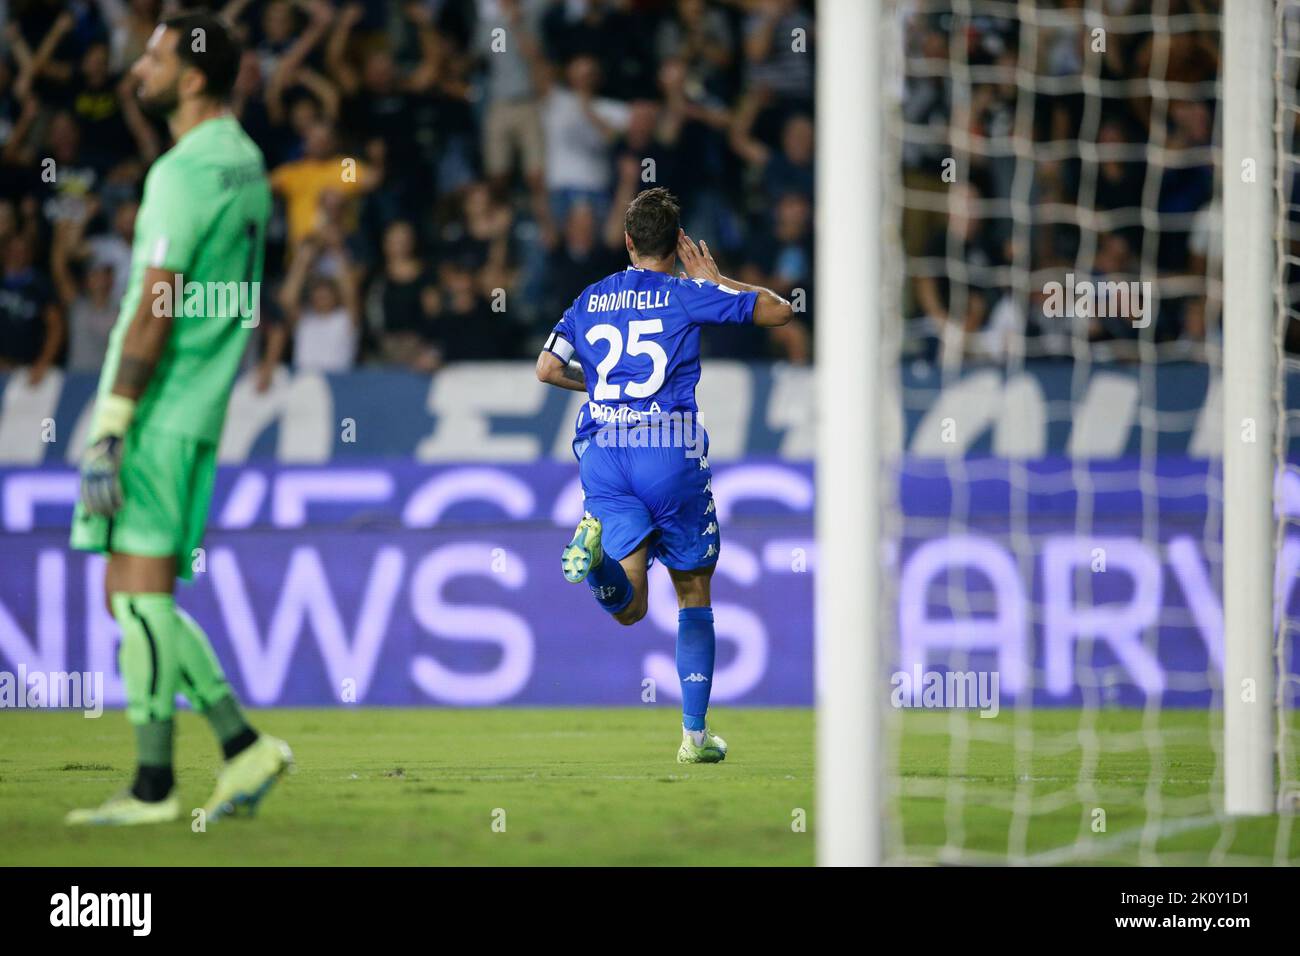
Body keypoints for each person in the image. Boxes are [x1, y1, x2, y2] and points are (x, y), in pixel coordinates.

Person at [66, 11, 291, 826]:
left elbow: (155, 306)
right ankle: (239, 748)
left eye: (155, 58)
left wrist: (114, 420)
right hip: (198, 403)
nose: (139, 68)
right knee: (135, 595)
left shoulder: (184, 170)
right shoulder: (247, 164)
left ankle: (157, 788)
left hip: (156, 410)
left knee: (135, 599)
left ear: (192, 76)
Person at [534, 187, 793, 763]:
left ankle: (594, 556)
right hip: (666, 450)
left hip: (604, 452)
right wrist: (717, 281)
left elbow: (547, 368)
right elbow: (781, 309)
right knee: (692, 591)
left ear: (627, 241)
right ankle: (694, 738)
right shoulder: (686, 293)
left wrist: (600, 388)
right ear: (678, 245)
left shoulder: (590, 297)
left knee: (628, 608)